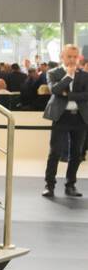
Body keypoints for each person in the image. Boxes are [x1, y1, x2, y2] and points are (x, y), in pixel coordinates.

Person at [42, 44, 88, 198]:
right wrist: (68, 76)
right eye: (69, 56)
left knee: (76, 153)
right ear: (62, 56)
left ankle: (71, 185)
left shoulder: (84, 75)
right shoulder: (53, 72)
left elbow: (86, 95)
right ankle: (49, 185)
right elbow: (54, 90)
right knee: (55, 152)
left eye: (75, 57)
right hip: (61, 117)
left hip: (80, 117)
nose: (72, 59)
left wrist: (67, 95)